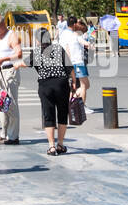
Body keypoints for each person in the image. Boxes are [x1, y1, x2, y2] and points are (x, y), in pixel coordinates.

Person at [33, 28, 73, 156]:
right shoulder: (58, 49)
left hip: (45, 86)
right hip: (61, 84)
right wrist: (75, 83)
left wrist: (13, 64)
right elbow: (69, 67)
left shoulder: (37, 52)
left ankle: (51, 147)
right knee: (62, 114)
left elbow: (24, 63)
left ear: (38, 40)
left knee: (48, 115)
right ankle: (60, 144)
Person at [0, 14, 23, 145]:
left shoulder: (11, 35)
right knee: (0, 103)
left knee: (11, 103)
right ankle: (4, 132)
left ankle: (13, 136)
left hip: (9, 71)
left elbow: (19, 53)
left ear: (3, 25)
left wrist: (4, 59)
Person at [60, 19, 93, 104]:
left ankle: (72, 101)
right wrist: (90, 45)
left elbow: (67, 50)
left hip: (72, 64)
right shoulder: (77, 37)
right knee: (84, 86)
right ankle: (81, 106)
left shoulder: (69, 37)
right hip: (79, 63)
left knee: (83, 85)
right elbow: (87, 44)